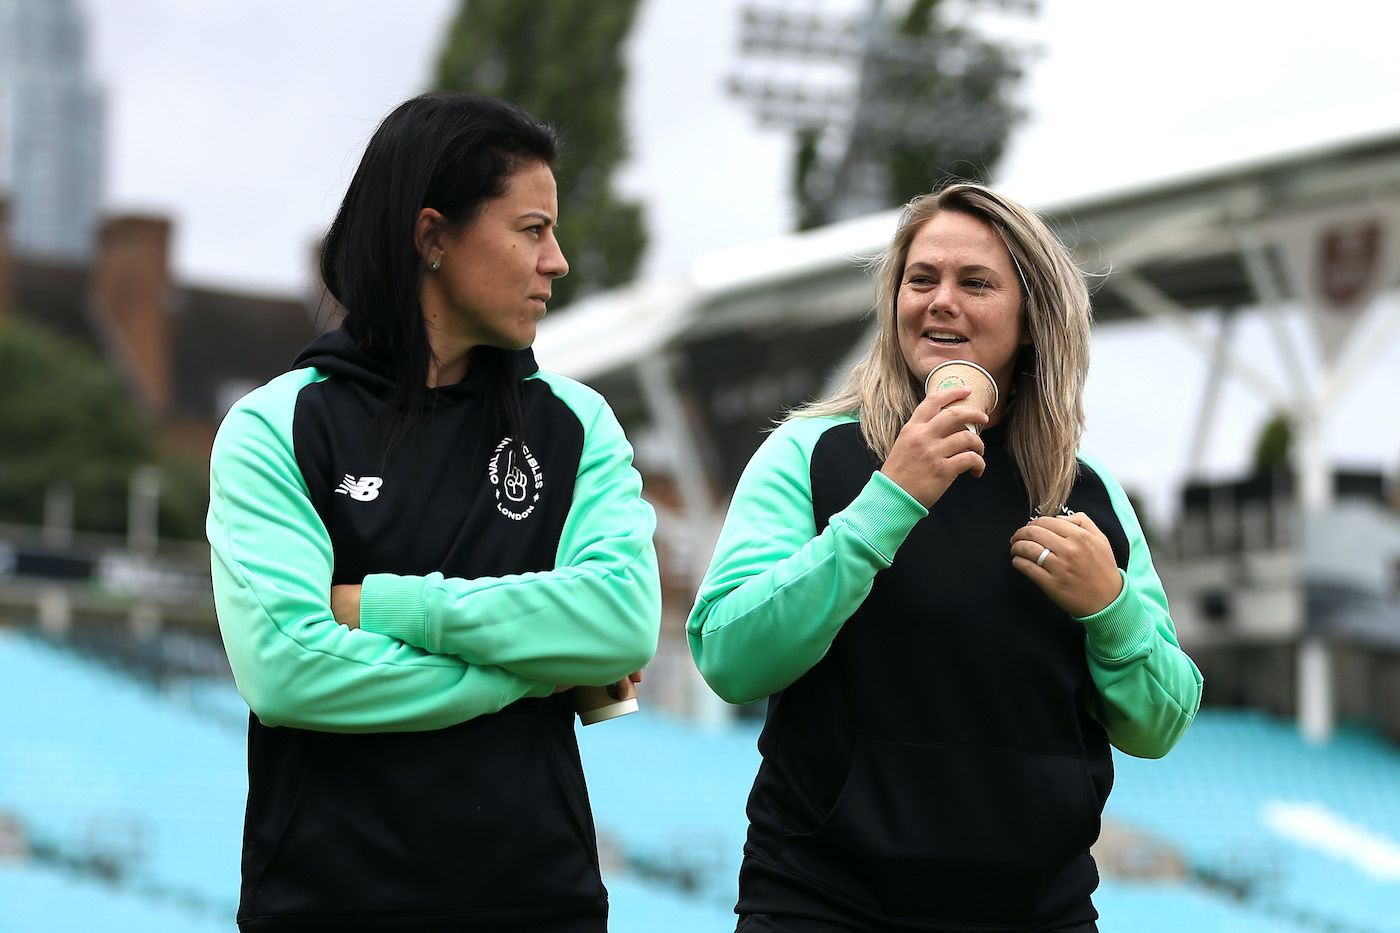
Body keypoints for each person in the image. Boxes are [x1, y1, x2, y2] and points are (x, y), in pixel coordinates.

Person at [688, 182, 1203, 932]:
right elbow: (730, 655)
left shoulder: (1088, 491)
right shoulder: (809, 454)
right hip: (824, 902)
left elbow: (1160, 724)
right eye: (920, 278)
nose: (939, 301)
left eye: (976, 283)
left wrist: (1111, 607)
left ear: (1031, 320)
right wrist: (887, 502)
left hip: (1039, 911)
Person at [207, 92, 660, 932]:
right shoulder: (277, 426)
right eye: (532, 229)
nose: (556, 260)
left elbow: (623, 623)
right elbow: (289, 672)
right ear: (432, 237)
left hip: (541, 903)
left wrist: (383, 604)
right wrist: (531, 669)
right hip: (325, 903)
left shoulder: (576, 423)